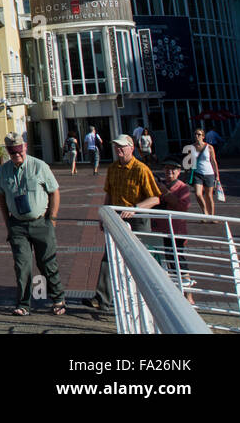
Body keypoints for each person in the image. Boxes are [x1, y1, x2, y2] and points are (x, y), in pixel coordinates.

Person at [0, 132, 67, 316]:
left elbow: (54, 191)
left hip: (41, 222)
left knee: (47, 264)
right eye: (13, 153)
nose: (17, 156)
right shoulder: (4, 170)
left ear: (25, 147)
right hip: (17, 225)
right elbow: (1, 196)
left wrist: (52, 219)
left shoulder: (39, 166)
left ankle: (58, 298)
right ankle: (24, 304)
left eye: (19, 151)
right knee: (22, 265)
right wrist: (7, 223)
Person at [90, 134, 161, 312]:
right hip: (117, 217)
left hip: (137, 220)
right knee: (109, 257)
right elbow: (109, 193)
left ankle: (145, 297)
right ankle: (102, 297)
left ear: (132, 148)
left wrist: (136, 208)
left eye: (122, 147)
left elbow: (155, 198)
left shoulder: (141, 169)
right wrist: (104, 214)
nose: (119, 150)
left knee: (140, 260)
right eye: (116, 147)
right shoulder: (113, 168)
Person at [150, 159, 194, 303]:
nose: (169, 172)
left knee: (179, 262)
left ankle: (189, 295)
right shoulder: (159, 184)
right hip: (158, 229)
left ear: (179, 172)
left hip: (175, 230)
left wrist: (165, 192)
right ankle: (170, 295)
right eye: (167, 169)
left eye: (173, 169)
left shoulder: (182, 187)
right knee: (163, 262)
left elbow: (182, 206)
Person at [187, 127, 219, 216]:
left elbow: (213, 161)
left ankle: (212, 216)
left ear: (203, 136)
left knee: (209, 196)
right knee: (198, 194)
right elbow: (188, 161)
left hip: (209, 173)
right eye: (195, 134)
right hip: (197, 173)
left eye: (199, 134)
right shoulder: (191, 147)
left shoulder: (209, 147)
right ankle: (205, 213)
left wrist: (217, 175)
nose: (197, 136)